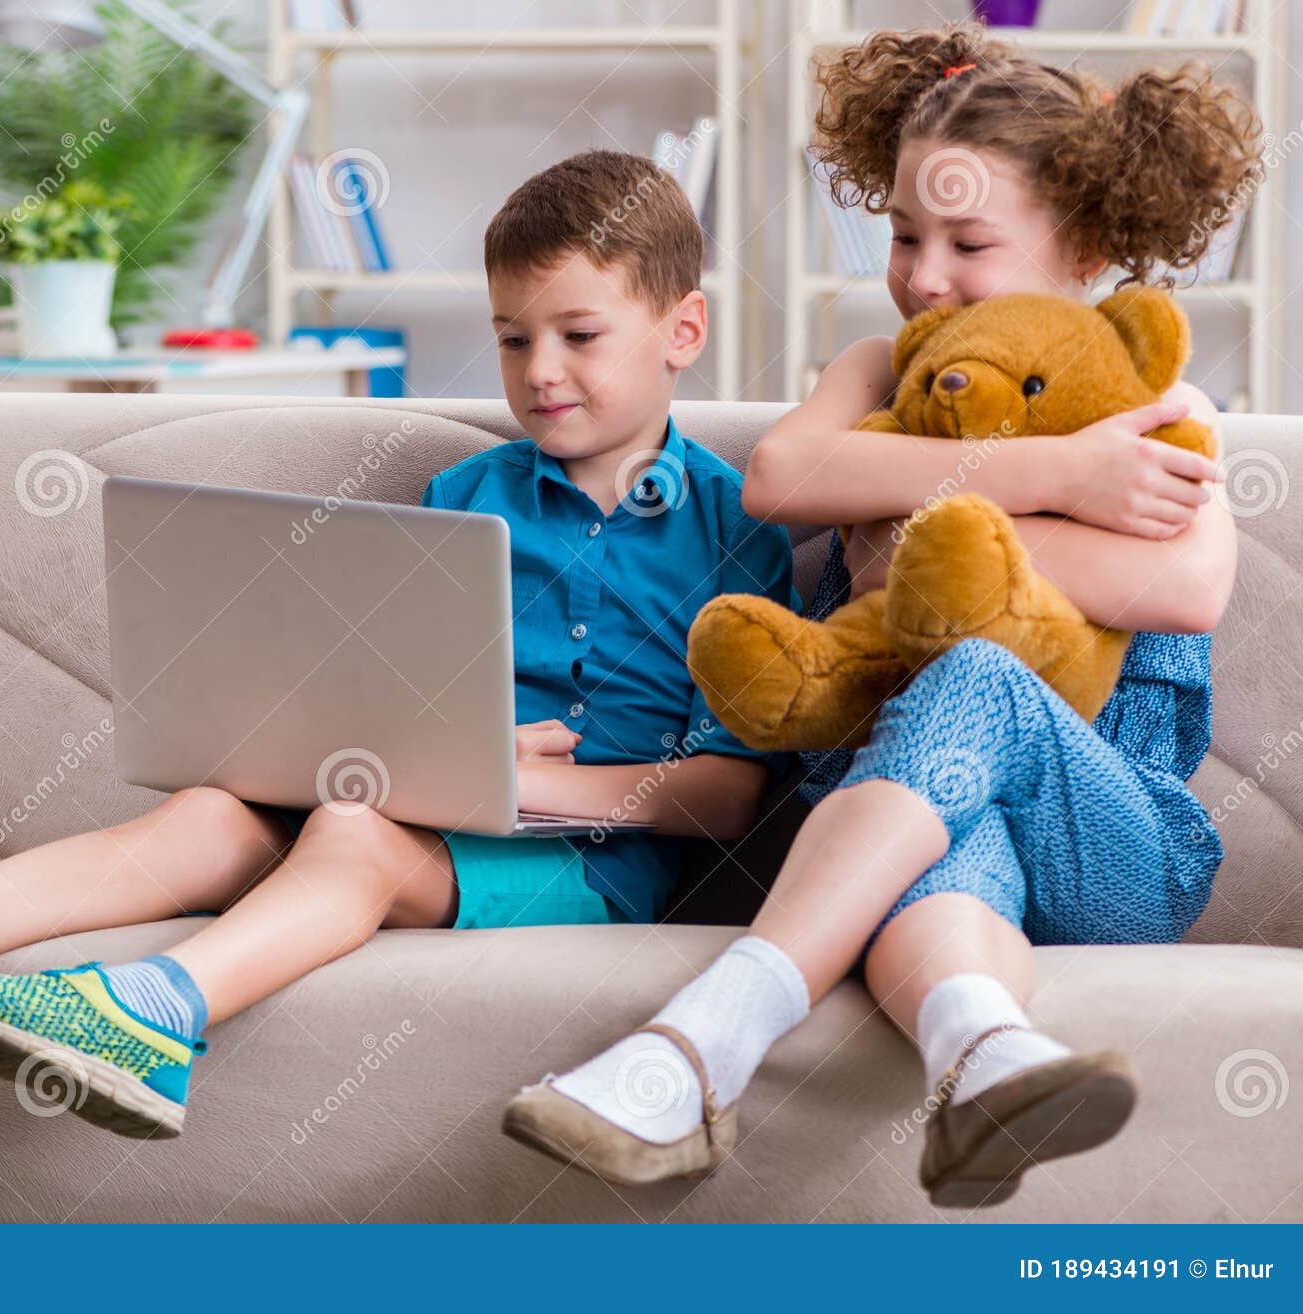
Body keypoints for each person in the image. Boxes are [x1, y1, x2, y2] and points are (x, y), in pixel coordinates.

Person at [0, 149, 796, 1141]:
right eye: (513, 339)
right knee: (209, 813)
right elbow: (387, 694)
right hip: (393, 797)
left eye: (579, 335)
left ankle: (155, 1016)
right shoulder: (462, 497)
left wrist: (497, 778)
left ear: (681, 329)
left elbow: (727, 797)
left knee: (350, 834)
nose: (540, 371)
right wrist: (395, 746)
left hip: (590, 865)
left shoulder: (735, 529)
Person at [503, 23, 1261, 1207]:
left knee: (975, 676)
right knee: (946, 832)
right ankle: (983, 1055)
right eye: (905, 234)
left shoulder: (1157, 398)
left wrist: (908, 526)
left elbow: (1183, 586)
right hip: (888, 820)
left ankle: (703, 1041)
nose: (922, 275)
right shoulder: (879, 367)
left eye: (968, 242)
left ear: (1088, 246)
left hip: (1114, 837)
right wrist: (1056, 480)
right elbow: (783, 480)